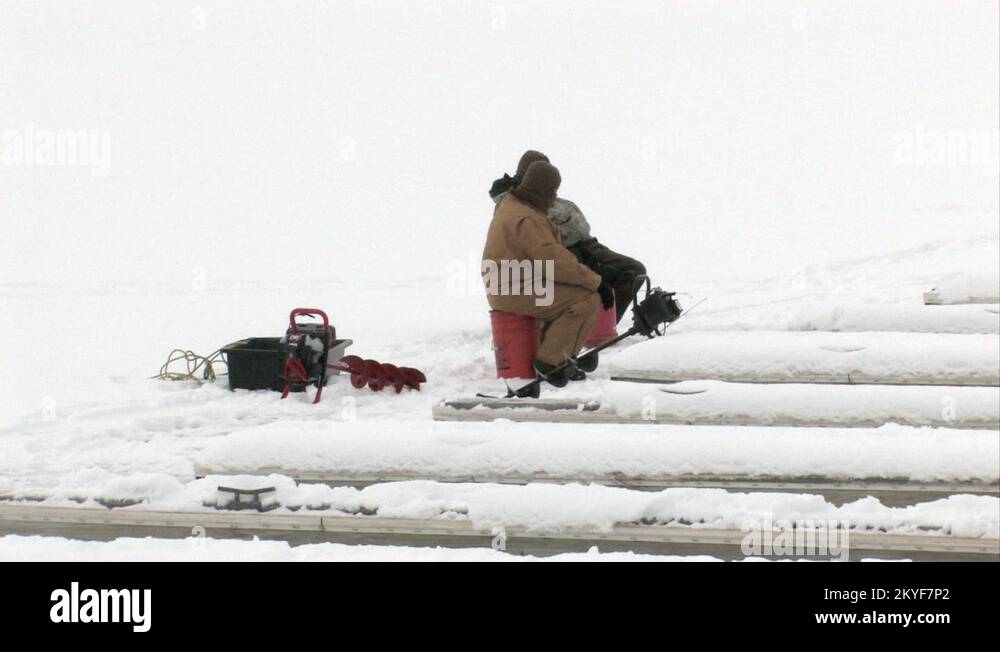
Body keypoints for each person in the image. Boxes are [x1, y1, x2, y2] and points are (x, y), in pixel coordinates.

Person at [482, 161, 614, 387]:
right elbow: (554, 261)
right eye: (552, 191)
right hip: (513, 288)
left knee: (578, 293)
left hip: (512, 282)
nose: (554, 197)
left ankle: (562, 354)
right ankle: (551, 363)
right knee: (586, 300)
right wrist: (596, 281)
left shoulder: (514, 205)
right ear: (542, 189)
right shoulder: (528, 219)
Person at [489, 150, 647, 324]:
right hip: (567, 255)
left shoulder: (539, 197)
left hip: (587, 247)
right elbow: (542, 246)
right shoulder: (513, 204)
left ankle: (601, 325)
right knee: (617, 276)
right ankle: (591, 327)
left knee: (634, 270)